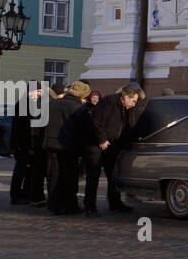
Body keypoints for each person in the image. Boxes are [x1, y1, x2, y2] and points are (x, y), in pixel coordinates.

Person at [83, 85, 145, 216]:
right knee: (93, 176)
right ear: (126, 97)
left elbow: (126, 128)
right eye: (133, 101)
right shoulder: (109, 102)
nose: (134, 104)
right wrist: (102, 139)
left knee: (113, 176)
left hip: (112, 146)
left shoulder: (125, 108)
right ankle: (90, 207)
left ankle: (115, 203)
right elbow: (97, 122)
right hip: (96, 145)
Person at [45, 81, 90, 215]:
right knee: (69, 177)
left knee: (53, 175)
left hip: (51, 145)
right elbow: (84, 130)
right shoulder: (79, 108)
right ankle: (70, 205)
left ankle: (54, 205)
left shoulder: (52, 103)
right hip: (69, 147)